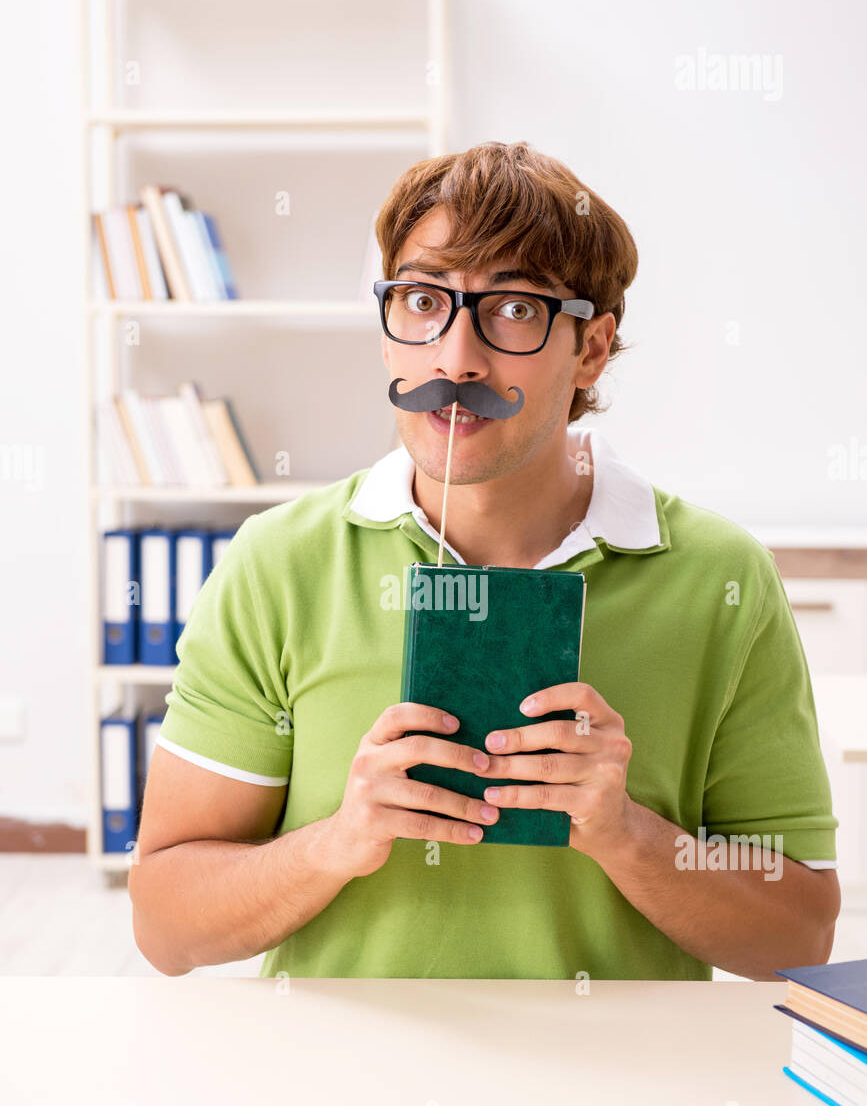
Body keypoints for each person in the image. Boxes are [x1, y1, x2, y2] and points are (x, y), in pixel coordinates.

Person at [130, 140, 839, 981]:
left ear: (591, 348)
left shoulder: (720, 578)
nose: (456, 358)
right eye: (423, 301)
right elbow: (166, 928)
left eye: (511, 310)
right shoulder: (277, 565)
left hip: (620, 1098)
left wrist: (627, 835)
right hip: (337, 1095)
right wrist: (337, 842)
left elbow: (797, 939)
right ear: (388, 331)